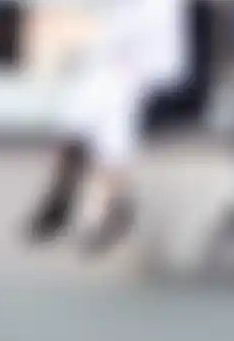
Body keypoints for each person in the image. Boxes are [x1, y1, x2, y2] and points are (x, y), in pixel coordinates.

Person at [28, 0, 189, 252]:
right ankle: (78, 193)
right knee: (90, 102)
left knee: (111, 105)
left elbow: (128, 41)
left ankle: (106, 201)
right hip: (117, 72)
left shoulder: (159, 7)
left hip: (154, 75)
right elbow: (107, 43)